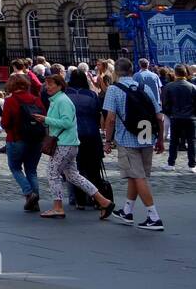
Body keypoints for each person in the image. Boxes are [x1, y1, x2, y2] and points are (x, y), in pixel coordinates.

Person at [39, 71, 116, 220]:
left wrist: (46, 120)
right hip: (79, 138)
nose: (47, 87)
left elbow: (67, 122)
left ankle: (58, 207)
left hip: (65, 142)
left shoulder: (62, 100)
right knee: (74, 175)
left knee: (52, 173)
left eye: (50, 84)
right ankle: (103, 201)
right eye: (46, 84)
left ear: (60, 86)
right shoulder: (67, 98)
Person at [104, 58, 165, 231]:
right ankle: (127, 210)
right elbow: (159, 116)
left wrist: (108, 141)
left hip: (127, 138)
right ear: (132, 70)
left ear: (116, 71)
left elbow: (110, 119)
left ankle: (153, 216)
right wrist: (160, 139)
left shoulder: (114, 90)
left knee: (138, 177)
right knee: (136, 175)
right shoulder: (144, 88)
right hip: (146, 137)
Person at [65, 67, 112, 208]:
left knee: (76, 169)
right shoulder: (92, 95)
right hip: (92, 133)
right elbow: (99, 114)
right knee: (94, 169)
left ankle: (80, 200)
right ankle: (98, 200)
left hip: (73, 134)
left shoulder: (65, 95)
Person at [1, 75, 45, 212]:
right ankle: (35, 201)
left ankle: (29, 193)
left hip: (16, 139)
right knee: (32, 170)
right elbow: (44, 117)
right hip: (36, 140)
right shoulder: (36, 100)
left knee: (15, 168)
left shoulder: (10, 101)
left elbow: (5, 122)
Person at [161, 66, 195, 172]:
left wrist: (170, 114)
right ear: (185, 74)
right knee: (191, 142)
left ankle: (171, 163)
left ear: (175, 73)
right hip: (190, 118)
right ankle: (192, 165)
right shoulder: (193, 87)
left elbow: (165, 104)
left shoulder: (169, 87)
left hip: (175, 117)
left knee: (174, 141)